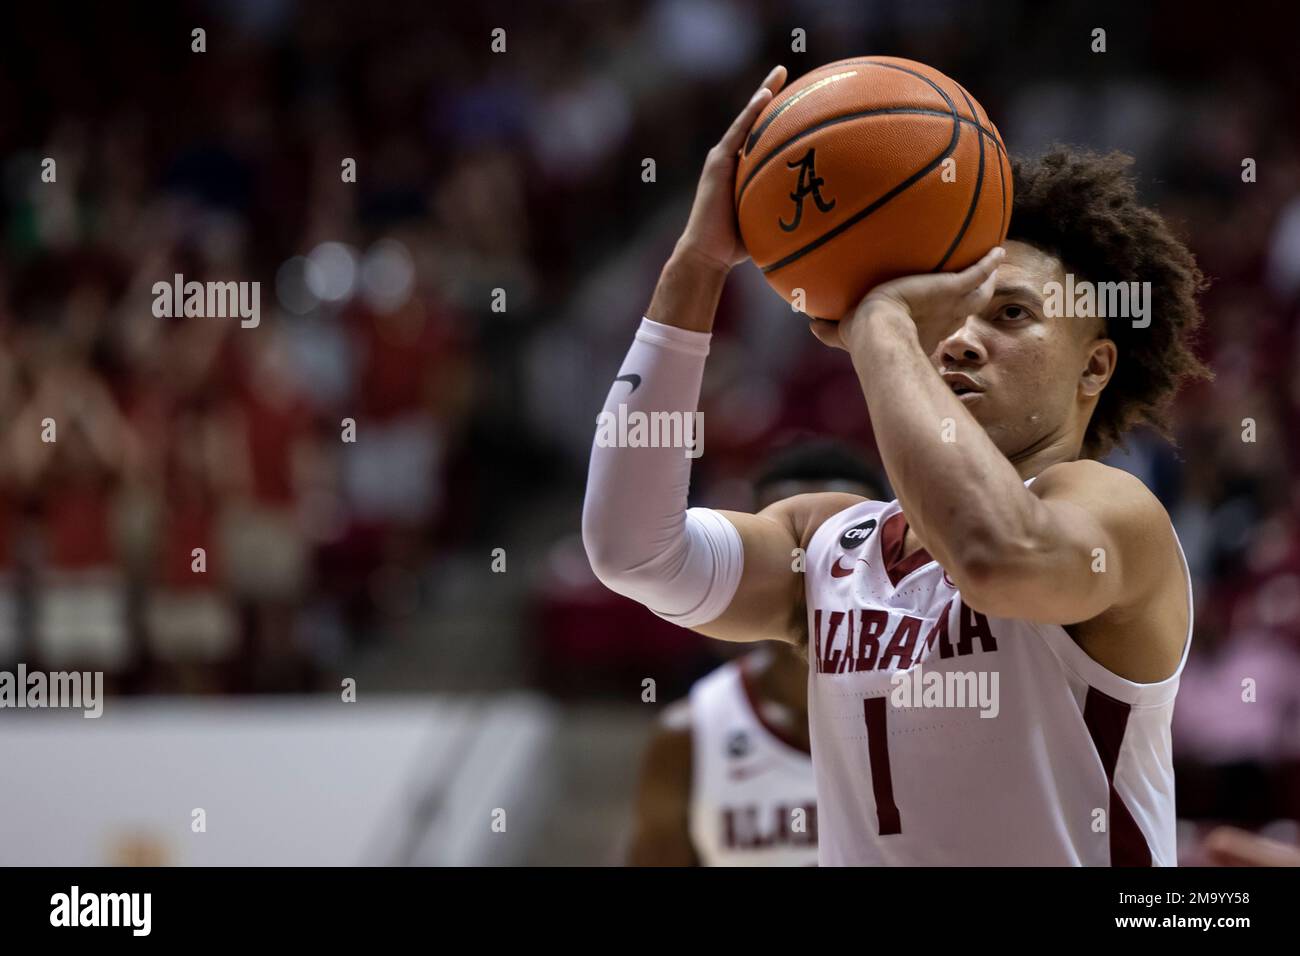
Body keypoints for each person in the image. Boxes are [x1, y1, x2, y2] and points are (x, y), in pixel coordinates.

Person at [584, 66, 1210, 865]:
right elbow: (632, 551)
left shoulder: (1114, 515)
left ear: (1095, 368)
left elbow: (995, 553)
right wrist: (698, 268)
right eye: (943, 313)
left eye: (1011, 313)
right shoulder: (831, 544)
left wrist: (880, 317)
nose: (958, 339)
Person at [627, 441, 883, 866]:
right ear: (746, 553)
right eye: (787, 540)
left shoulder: (938, 706)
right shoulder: (690, 734)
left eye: (843, 539)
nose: (812, 560)